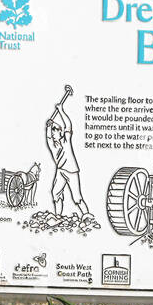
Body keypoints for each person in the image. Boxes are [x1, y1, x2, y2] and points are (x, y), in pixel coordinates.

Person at [45, 85, 89, 216]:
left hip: (71, 171)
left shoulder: (66, 141)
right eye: (52, 131)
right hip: (61, 170)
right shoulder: (54, 146)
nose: (53, 134)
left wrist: (61, 110)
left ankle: (86, 215)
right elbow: (48, 137)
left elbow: (68, 125)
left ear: (61, 132)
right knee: (55, 193)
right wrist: (48, 126)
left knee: (77, 198)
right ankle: (58, 216)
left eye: (55, 130)